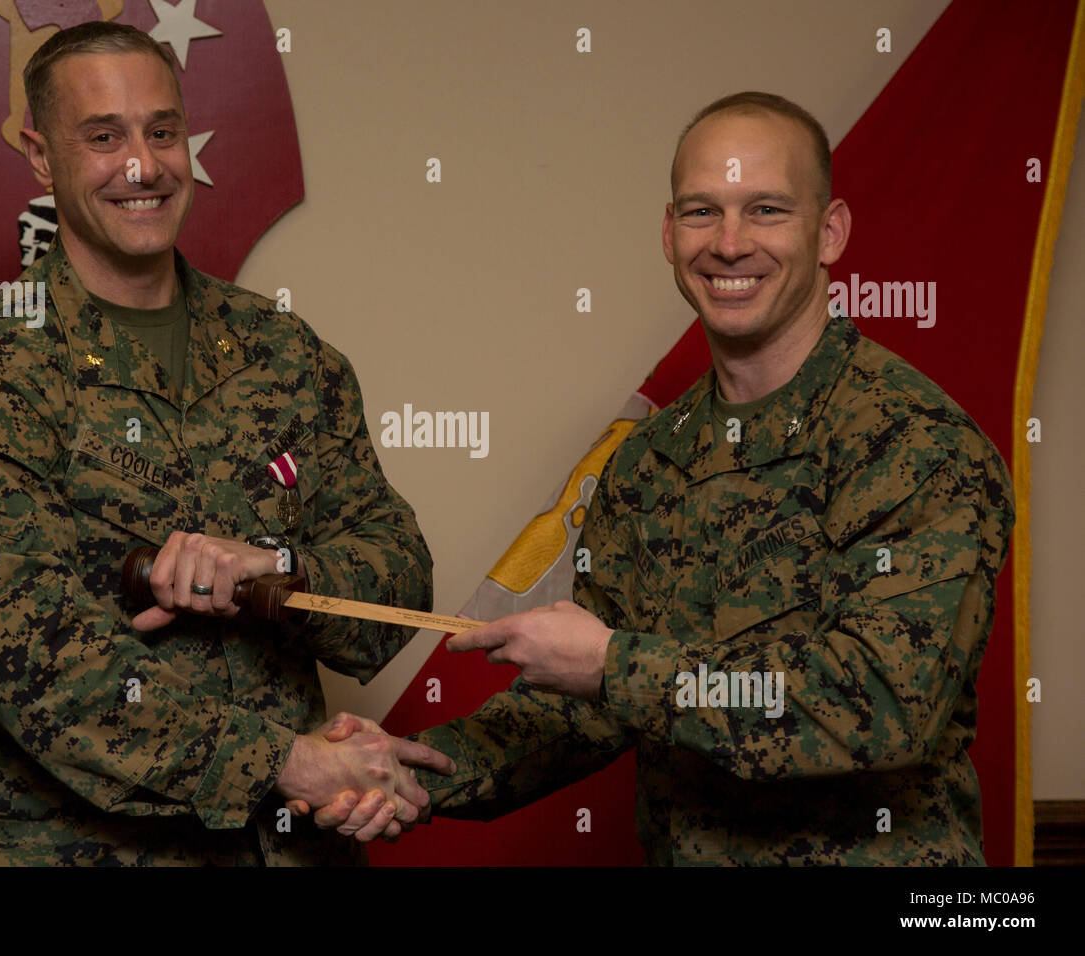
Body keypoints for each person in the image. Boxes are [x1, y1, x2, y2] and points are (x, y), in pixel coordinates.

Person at [304, 92, 1014, 865]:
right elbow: (589, 710)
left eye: (767, 209)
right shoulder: (649, 461)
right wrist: (411, 772)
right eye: (703, 212)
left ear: (830, 231)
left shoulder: (913, 441)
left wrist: (616, 664)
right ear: (669, 235)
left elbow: (875, 704)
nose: (731, 244)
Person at [0, 21, 451, 866]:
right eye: (102, 136)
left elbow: (397, 582)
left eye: (162, 131)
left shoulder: (285, 353)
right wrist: (287, 761)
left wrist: (275, 571)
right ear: (41, 157)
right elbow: (44, 667)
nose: (142, 165)